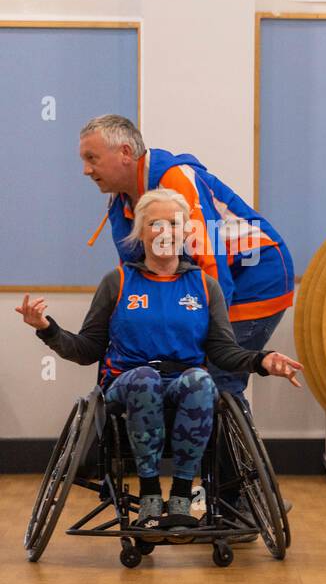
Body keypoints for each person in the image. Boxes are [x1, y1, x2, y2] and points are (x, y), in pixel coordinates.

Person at [16, 189, 303, 528]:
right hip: (129, 384)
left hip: (184, 383)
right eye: (155, 224)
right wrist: (47, 329)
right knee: (145, 379)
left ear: (186, 232)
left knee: (201, 381)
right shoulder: (118, 282)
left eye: (173, 222)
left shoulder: (204, 286)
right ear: (141, 232)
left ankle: (182, 495)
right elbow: (87, 349)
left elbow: (224, 351)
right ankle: (150, 493)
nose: (165, 231)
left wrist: (263, 360)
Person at [79, 114, 295, 398]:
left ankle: (217, 434)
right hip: (220, 275)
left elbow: (211, 263)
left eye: (92, 158)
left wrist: (211, 334)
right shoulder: (119, 198)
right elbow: (133, 272)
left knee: (217, 377)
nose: (85, 169)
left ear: (125, 153)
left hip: (255, 277)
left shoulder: (175, 179)